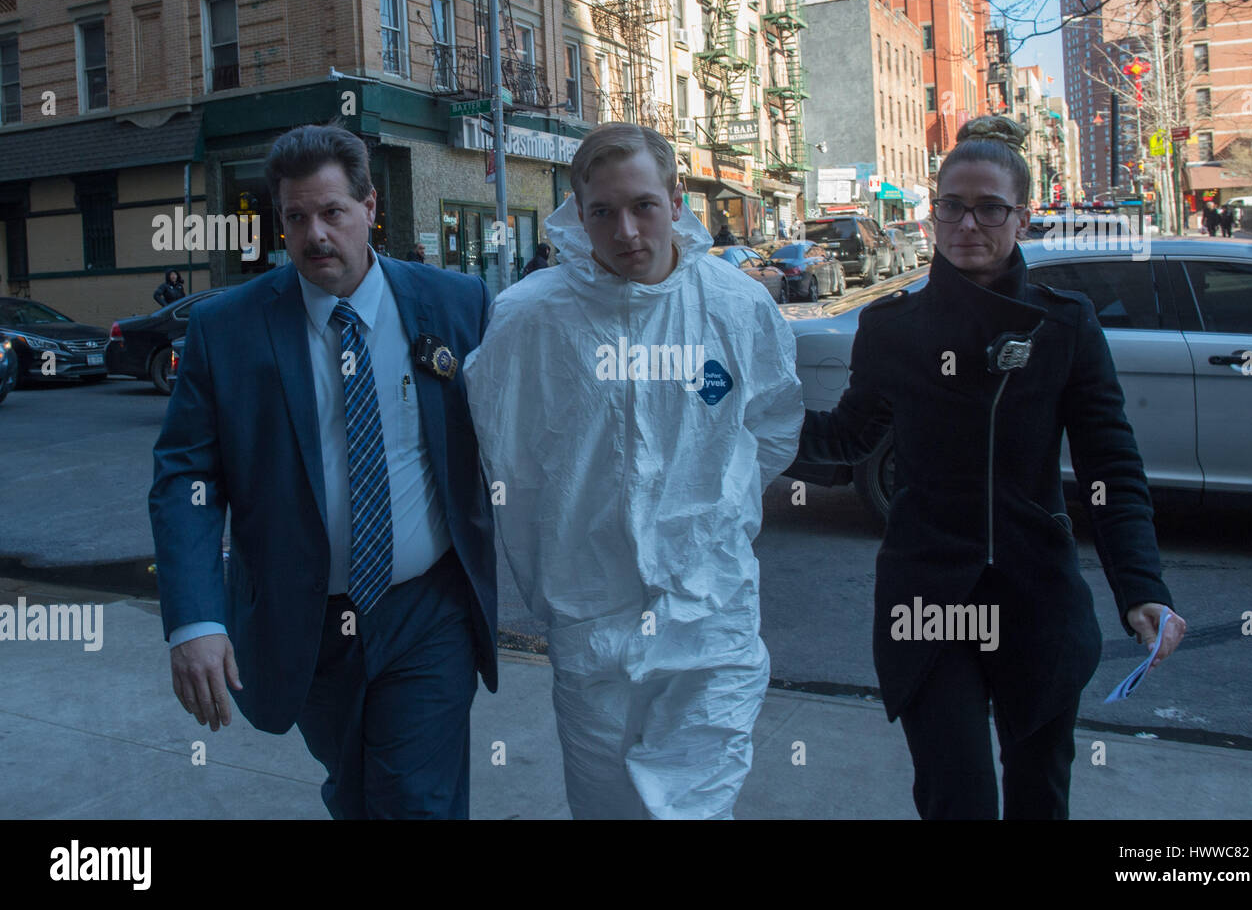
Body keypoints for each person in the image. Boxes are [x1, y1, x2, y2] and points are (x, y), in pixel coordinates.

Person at [797, 115, 1186, 819]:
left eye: (989, 208)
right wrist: (743, 419)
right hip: (928, 598)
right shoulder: (892, 327)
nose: (967, 223)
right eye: (951, 205)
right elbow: (849, 436)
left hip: (1036, 597)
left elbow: (1110, 465)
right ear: (933, 212)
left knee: (1040, 796)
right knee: (959, 796)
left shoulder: (1065, 324)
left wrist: (1141, 587)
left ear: (1022, 216)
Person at [150, 123, 498, 819]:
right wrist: (195, 619)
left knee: (413, 799)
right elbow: (184, 476)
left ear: (370, 207)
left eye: (332, 212)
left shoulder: (455, 305)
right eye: (296, 217)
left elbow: (523, 417)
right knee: (356, 789)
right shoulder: (229, 329)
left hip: (425, 608)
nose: (315, 235)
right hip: (304, 617)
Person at [463, 123, 803, 819]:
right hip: (592, 618)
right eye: (602, 212)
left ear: (676, 199)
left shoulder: (735, 308)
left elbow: (771, 427)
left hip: (712, 611)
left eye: (643, 205)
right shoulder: (532, 319)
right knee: (610, 803)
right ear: (576, 211)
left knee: (697, 803)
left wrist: (712, 514)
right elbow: (504, 454)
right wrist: (559, 570)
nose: (625, 231)